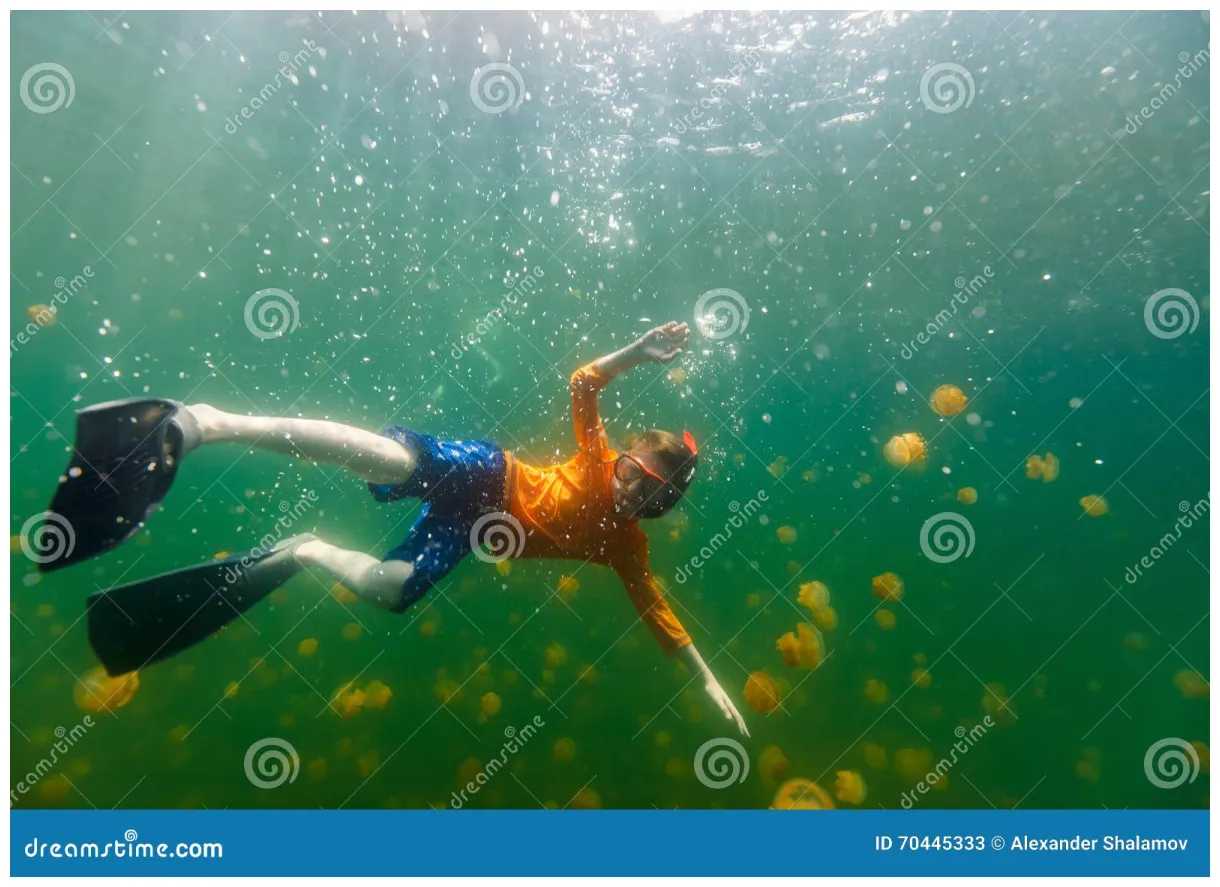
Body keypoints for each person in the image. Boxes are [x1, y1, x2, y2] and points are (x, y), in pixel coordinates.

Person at [42, 320, 749, 736]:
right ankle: (205, 422)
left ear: (661, 508)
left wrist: (708, 680)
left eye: (652, 497)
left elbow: (658, 611)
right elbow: (583, 383)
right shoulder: (595, 461)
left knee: (392, 590)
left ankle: (306, 550)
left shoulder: (626, 547)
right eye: (632, 474)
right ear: (621, 458)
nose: (630, 494)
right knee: (391, 458)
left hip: (470, 531)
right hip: (487, 474)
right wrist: (637, 353)